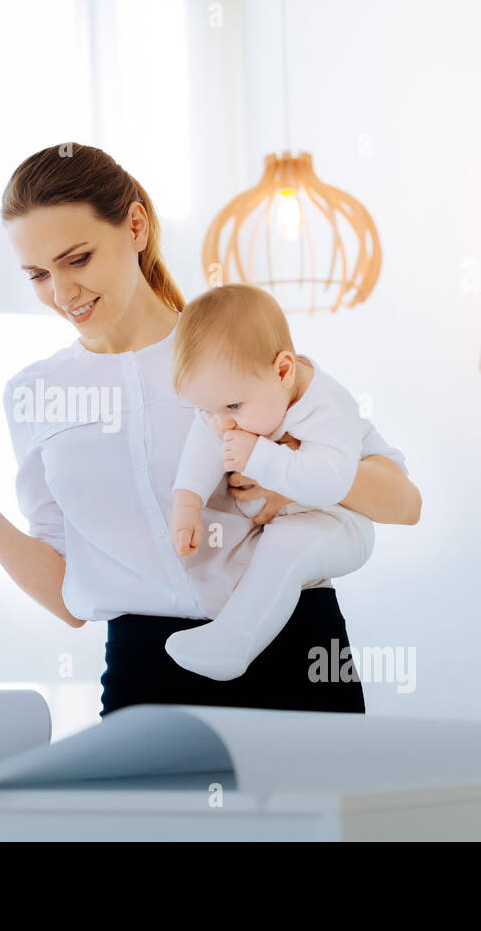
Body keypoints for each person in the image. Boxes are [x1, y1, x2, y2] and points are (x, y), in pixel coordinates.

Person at [0, 143, 421, 718]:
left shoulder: (236, 348)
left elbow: (402, 501)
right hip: (147, 670)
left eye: (78, 259)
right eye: (38, 274)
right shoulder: (34, 394)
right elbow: (68, 599)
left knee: (321, 810)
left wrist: (296, 477)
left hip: (297, 652)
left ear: (135, 226)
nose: (62, 294)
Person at [165, 283, 381, 682]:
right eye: (205, 411)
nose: (221, 424)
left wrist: (260, 457)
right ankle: (229, 634)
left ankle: (234, 642)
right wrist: (187, 503)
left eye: (232, 407)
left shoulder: (328, 405)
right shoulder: (233, 402)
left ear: (283, 371)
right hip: (292, 518)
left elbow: (332, 482)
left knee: (285, 545)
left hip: (342, 522)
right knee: (280, 543)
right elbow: (201, 444)